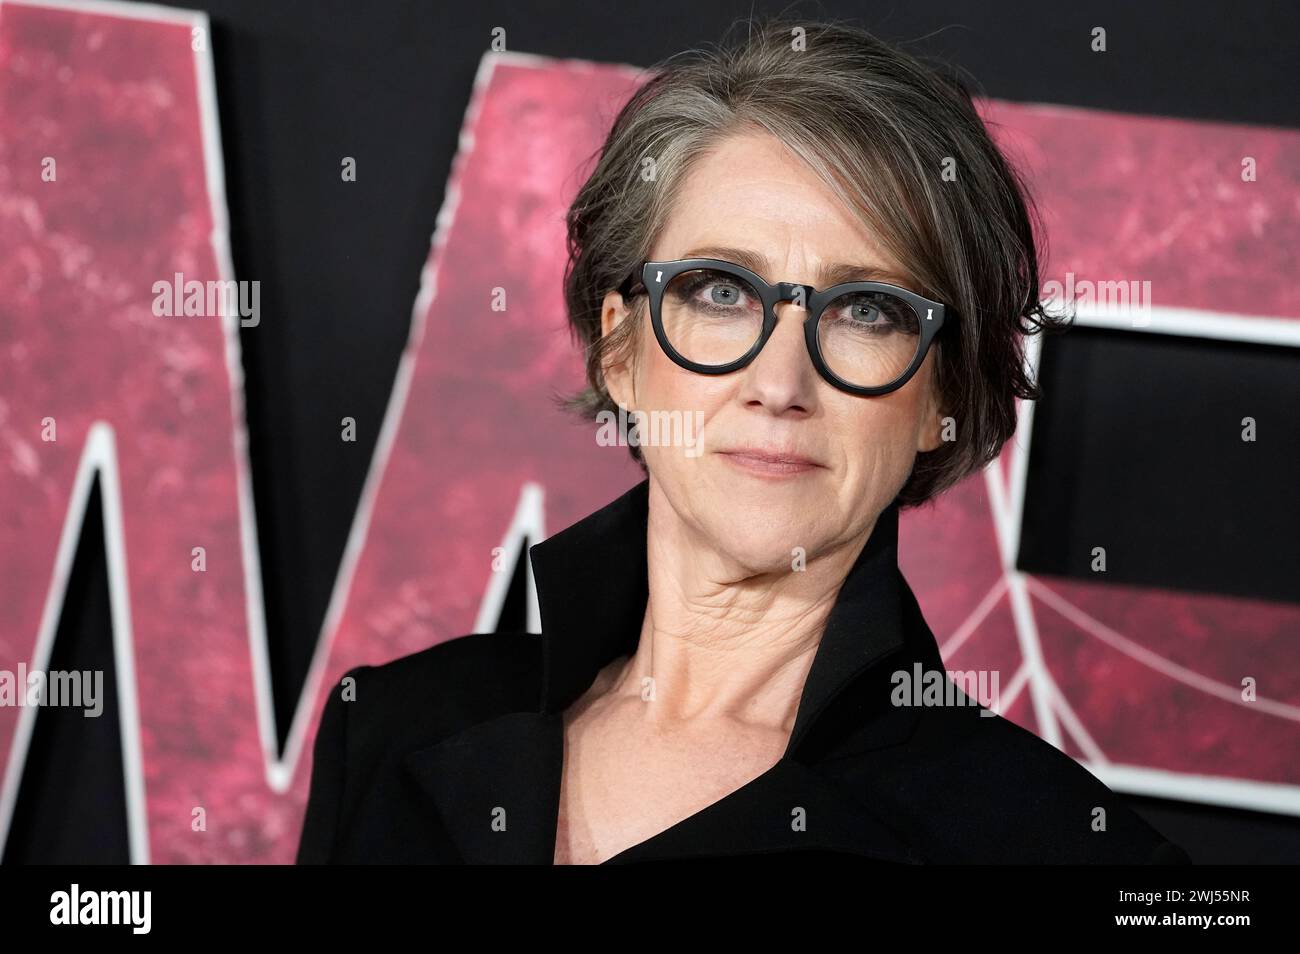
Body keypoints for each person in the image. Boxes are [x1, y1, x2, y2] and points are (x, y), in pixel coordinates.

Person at [297, 15, 1191, 865]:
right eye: (722, 292)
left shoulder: (1059, 848)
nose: (779, 385)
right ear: (619, 348)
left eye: (866, 309)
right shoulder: (389, 728)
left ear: (939, 396)